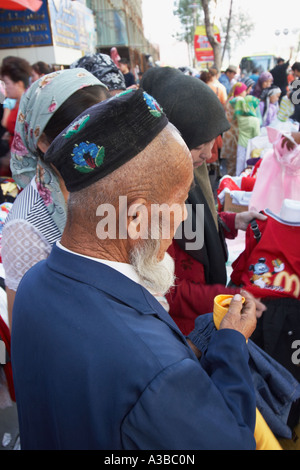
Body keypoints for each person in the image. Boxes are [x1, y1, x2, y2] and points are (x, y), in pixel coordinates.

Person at [12, 88, 258, 450]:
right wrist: (232, 346)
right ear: (135, 218)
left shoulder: (33, 284)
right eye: (178, 203)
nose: (180, 220)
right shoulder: (157, 368)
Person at [141, 67, 266, 335]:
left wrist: (232, 221)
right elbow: (168, 290)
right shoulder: (151, 204)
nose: (209, 155)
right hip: (185, 331)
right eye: (199, 146)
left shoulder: (189, 173)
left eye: (212, 143)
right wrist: (227, 298)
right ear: (168, 143)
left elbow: (199, 222)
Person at [1, 68, 110, 329]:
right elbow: (27, 329)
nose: (99, 145)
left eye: (105, 128)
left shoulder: (102, 182)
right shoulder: (26, 226)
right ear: (43, 142)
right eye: (83, 135)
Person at [0, 56, 31, 148]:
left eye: (7, 83)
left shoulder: (28, 106)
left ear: (19, 84)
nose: (4, 87)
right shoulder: (15, 104)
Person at [220, 82, 248, 176]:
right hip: (235, 134)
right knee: (234, 162)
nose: (246, 93)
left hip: (228, 133)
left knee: (229, 163)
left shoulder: (230, 99)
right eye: (244, 90)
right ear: (240, 91)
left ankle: (227, 181)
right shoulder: (239, 100)